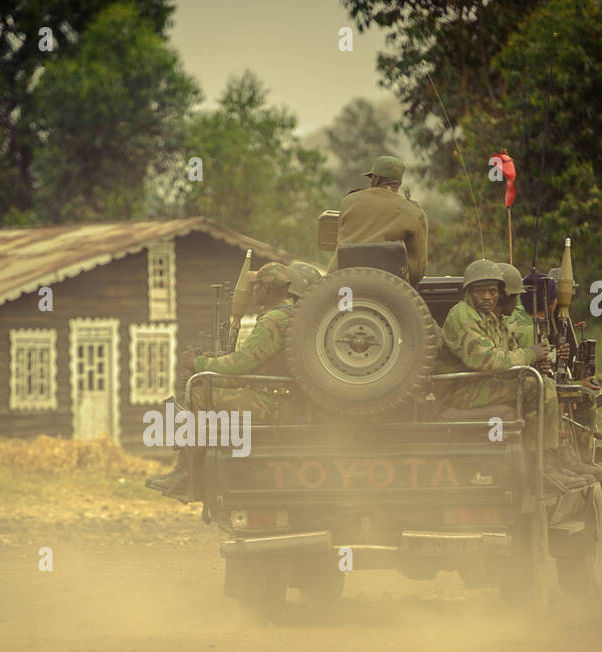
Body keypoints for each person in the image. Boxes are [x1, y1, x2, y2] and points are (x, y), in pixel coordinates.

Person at [433, 259, 587, 491]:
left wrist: (537, 360)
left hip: (478, 385)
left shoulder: (490, 319)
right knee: (539, 388)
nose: (488, 297)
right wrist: (529, 354)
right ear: (468, 292)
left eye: (493, 291)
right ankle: (545, 466)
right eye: (481, 291)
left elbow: (510, 351)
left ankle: (550, 463)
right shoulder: (463, 316)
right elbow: (489, 361)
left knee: (540, 385)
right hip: (460, 391)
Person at [146, 263, 297, 499]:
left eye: (256, 285)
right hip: (274, 394)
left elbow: (240, 364)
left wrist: (199, 364)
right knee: (204, 384)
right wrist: (214, 362)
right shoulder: (288, 316)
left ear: (265, 288)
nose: (253, 290)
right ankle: (190, 467)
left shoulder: (272, 321)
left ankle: (189, 475)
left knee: (198, 392)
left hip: (272, 401)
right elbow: (250, 362)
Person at [326, 155, 428, 284]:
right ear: (399, 183)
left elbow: (340, 239)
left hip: (340, 285)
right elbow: (418, 270)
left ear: (376, 178)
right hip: (389, 290)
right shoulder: (414, 213)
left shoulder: (349, 201)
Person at [495, 262, 533, 348]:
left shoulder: (500, 323)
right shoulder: (480, 323)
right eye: (516, 296)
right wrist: (531, 354)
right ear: (506, 297)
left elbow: (512, 350)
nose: (516, 302)